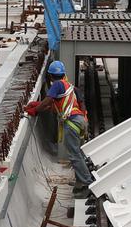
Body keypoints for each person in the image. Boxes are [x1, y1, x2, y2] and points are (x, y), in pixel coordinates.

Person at [25, 60, 94, 192]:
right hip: (79, 120)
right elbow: (53, 106)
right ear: (63, 74)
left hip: (72, 122)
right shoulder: (67, 86)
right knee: (77, 153)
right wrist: (37, 105)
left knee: (74, 155)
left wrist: (36, 109)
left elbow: (48, 101)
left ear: (50, 75)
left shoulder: (56, 85)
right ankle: (81, 180)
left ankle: (87, 183)